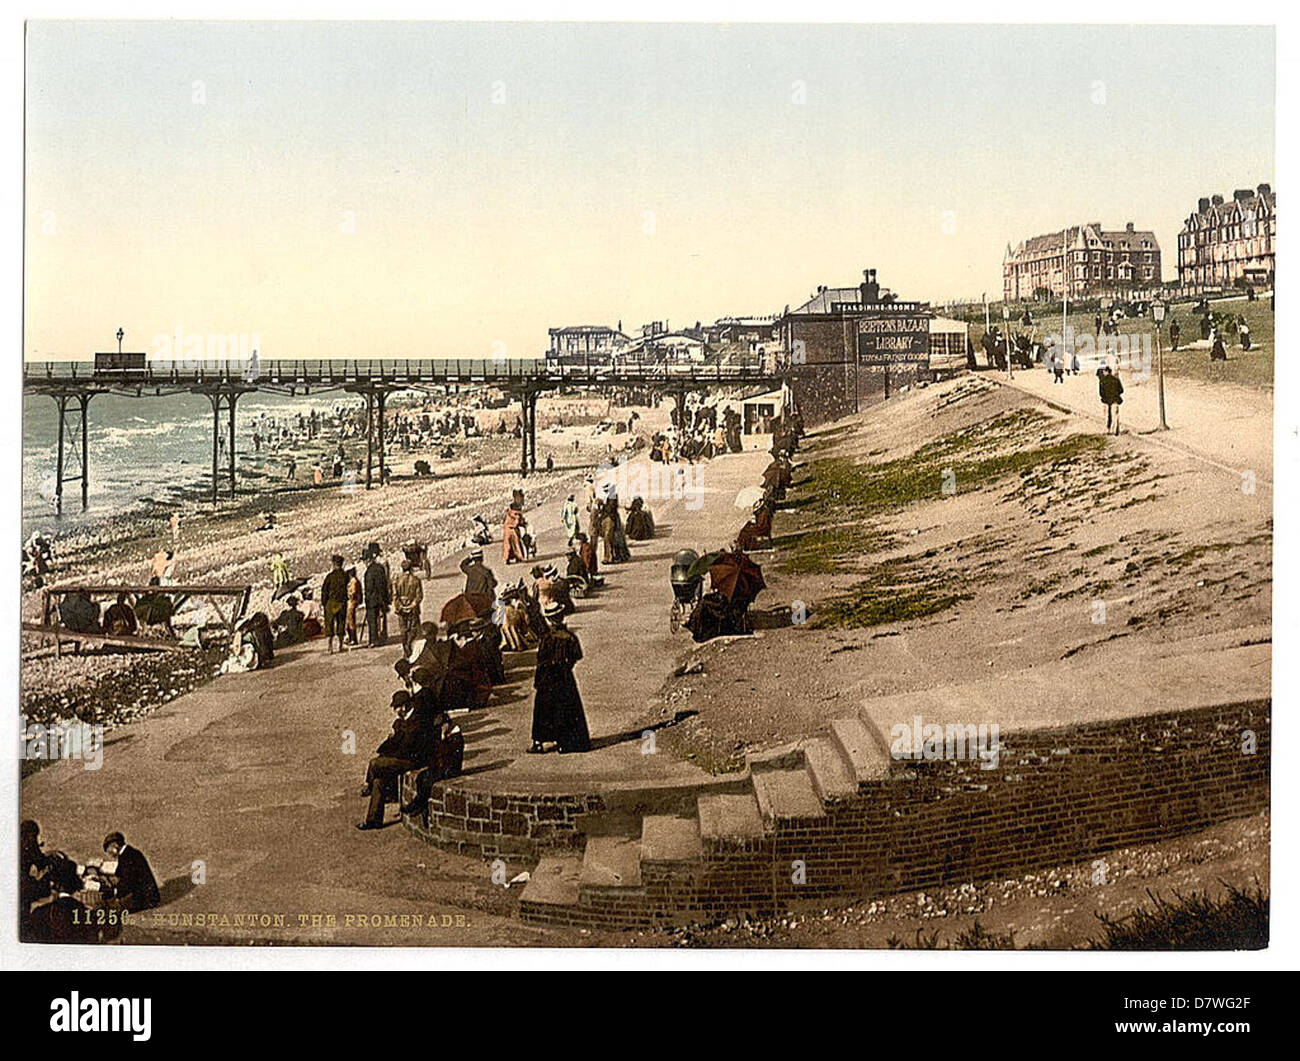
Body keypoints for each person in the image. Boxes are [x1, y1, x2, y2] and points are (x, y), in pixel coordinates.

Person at [529, 601, 591, 754]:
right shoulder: (570, 637)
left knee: (543, 710)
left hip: (546, 677)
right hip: (564, 677)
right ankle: (567, 741)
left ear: (549, 619)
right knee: (566, 708)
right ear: (562, 616)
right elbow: (577, 655)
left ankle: (539, 742)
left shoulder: (546, 637)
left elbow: (540, 657)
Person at [99, 832, 160, 912]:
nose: (110, 855)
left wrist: (114, 892)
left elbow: (128, 882)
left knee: (107, 906)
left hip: (145, 899)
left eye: (110, 852)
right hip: (142, 894)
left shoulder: (129, 856)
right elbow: (120, 873)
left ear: (115, 845)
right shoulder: (127, 853)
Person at [392, 559, 424, 656]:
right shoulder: (416, 580)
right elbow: (419, 596)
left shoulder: (397, 579)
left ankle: (405, 648)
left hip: (401, 608)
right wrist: (411, 605)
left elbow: (395, 595)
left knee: (403, 629)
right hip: (413, 608)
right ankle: (409, 645)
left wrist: (400, 606)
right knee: (413, 629)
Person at [321, 554, 350, 653]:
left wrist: (324, 603)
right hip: (342, 602)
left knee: (329, 624)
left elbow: (324, 591)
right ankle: (340, 646)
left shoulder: (329, 576)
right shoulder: (345, 575)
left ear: (333, 564)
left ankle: (330, 647)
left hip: (331, 602)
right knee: (341, 623)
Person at [363, 550, 390, 647]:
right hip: (381, 598)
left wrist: (366, 599)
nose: (364, 563)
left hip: (372, 600)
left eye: (365, 561)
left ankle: (373, 640)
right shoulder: (380, 568)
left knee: (372, 621)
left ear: (368, 560)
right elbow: (384, 584)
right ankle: (382, 637)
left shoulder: (369, 572)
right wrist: (386, 598)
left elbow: (369, 588)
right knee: (382, 619)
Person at [1098, 367, 1124, 435]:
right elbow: (1121, 390)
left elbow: (1101, 393)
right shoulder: (1116, 380)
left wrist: (1105, 397)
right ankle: (1115, 430)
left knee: (1107, 415)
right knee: (1115, 415)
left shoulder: (1102, 381)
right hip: (1115, 399)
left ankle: (1107, 430)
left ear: (1106, 372)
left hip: (1106, 400)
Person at [345, 566, 363, 646]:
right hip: (351, 601)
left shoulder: (354, 581)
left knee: (351, 619)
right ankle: (351, 637)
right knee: (349, 620)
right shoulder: (354, 581)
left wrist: (347, 594)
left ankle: (353, 639)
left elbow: (353, 592)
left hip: (352, 601)